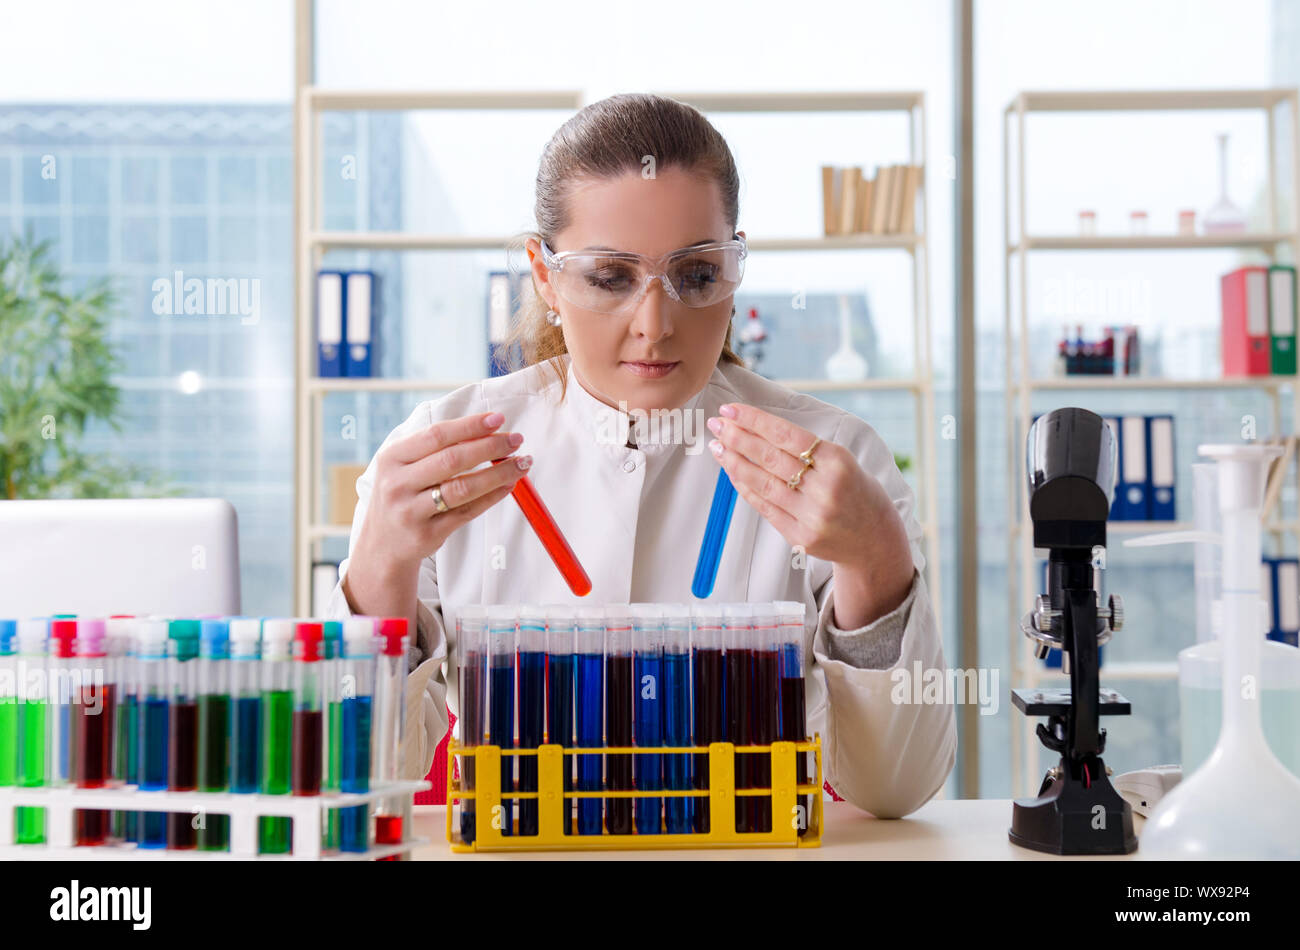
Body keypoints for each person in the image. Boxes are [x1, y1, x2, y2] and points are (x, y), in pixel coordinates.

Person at [327, 92, 955, 820]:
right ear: (544, 275)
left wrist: (875, 558)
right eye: (609, 277)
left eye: (696, 275)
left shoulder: (834, 458)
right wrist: (378, 574)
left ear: (733, 270)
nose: (655, 326)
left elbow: (895, 789)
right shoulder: (438, 452)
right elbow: (358, 781)